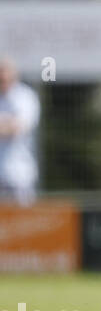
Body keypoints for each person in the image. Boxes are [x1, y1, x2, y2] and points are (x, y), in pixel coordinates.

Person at [0, 57, 40, 205]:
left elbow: (18, 128)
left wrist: (9, 126)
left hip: (19, 176)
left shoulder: (25, 96)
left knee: (23, 224)